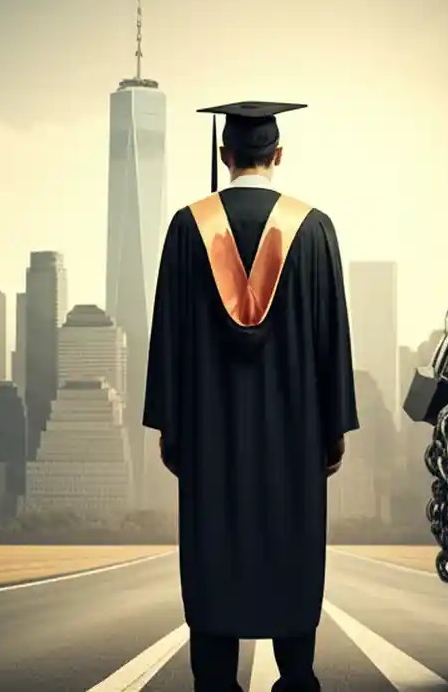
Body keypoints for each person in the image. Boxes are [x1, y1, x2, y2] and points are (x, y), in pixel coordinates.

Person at [143, 100, 359, 692]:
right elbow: (331, 339)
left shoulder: (189, 228)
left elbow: (169, 338)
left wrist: (171, 426)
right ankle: (296, 676)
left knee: (217, 548)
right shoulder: (313, 229)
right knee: (290, 544)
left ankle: (215, 681)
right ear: (278, 155)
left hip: (212, 440)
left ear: (225, 155)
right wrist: (332, 427)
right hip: (293, 439)